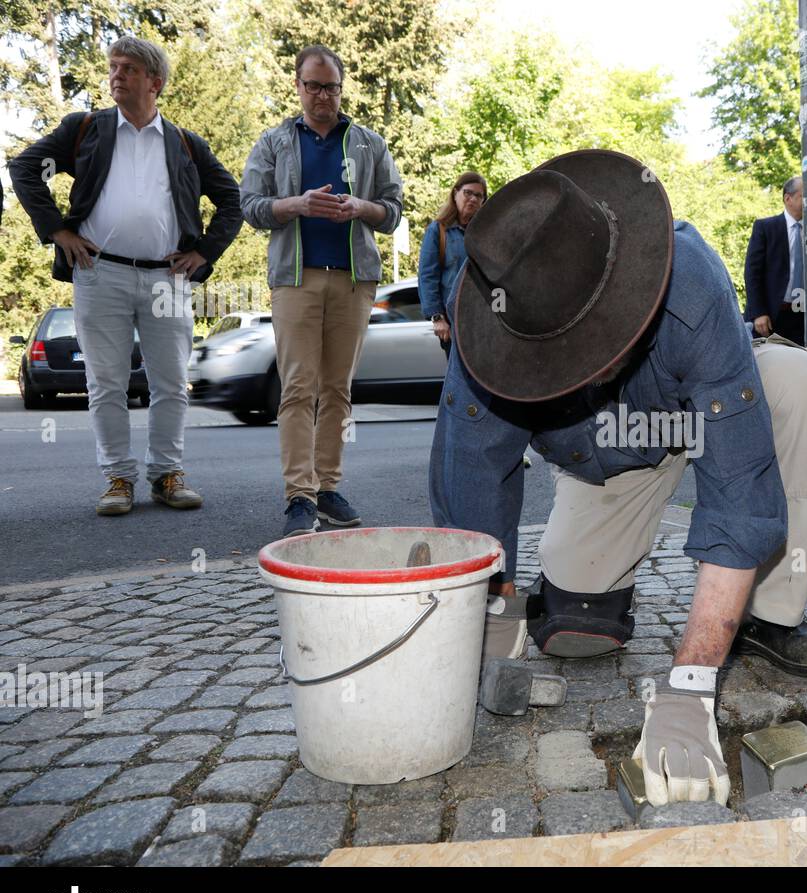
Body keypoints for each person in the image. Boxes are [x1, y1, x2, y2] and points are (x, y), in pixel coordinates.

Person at [429, 150, 807, 808]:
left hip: (701, 417)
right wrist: (492, 637)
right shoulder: (488, 336)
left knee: (796, 384)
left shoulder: (689, 279)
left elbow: (739, 487)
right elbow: (473, 496)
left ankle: (769, 613)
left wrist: (690, 687)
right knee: (573, 636)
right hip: (606, 465)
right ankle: (589, 593)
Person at [9, 36, 241, 516]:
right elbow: (25, 166)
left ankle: (167, 474)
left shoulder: (184, 144)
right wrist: (57, 231)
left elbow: (232, 202)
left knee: (172, 382)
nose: (116, 75)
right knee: (107, 384)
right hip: (99, 273)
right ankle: (117, 478)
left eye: (128, 69)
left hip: (166, 279)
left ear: (154, 82)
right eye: (113, 67)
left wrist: (203, 252)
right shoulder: (86, 129)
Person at [240, 44, 405, 538]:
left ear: (341, 88)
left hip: (355, 281)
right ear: (298, 86)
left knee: (337, 390)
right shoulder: (274, 142)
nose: (321, 96)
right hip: (296, 278)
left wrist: (362, 207)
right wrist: (297, 203)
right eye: (312, 86)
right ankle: (299, 496)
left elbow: (394, 209)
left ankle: (328, 487)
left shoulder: (369, 143)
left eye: (330, 87)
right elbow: (250, 206)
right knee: (297, 389)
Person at [418, 172, 487, 354]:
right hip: (453, 321)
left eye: (479, 196)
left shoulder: (486, 233)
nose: (472, 199)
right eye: (468, 193)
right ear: (455, 193)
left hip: (484, 321)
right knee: (459, 379)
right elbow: (427, 277)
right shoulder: (438, 231)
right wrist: (437, 317)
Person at [743, 176, 806, 345]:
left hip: (803, 318)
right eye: (804, 196)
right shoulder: (765, 228)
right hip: (770, 317)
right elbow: (752, 273)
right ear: (788, 199)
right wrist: (759, 313)